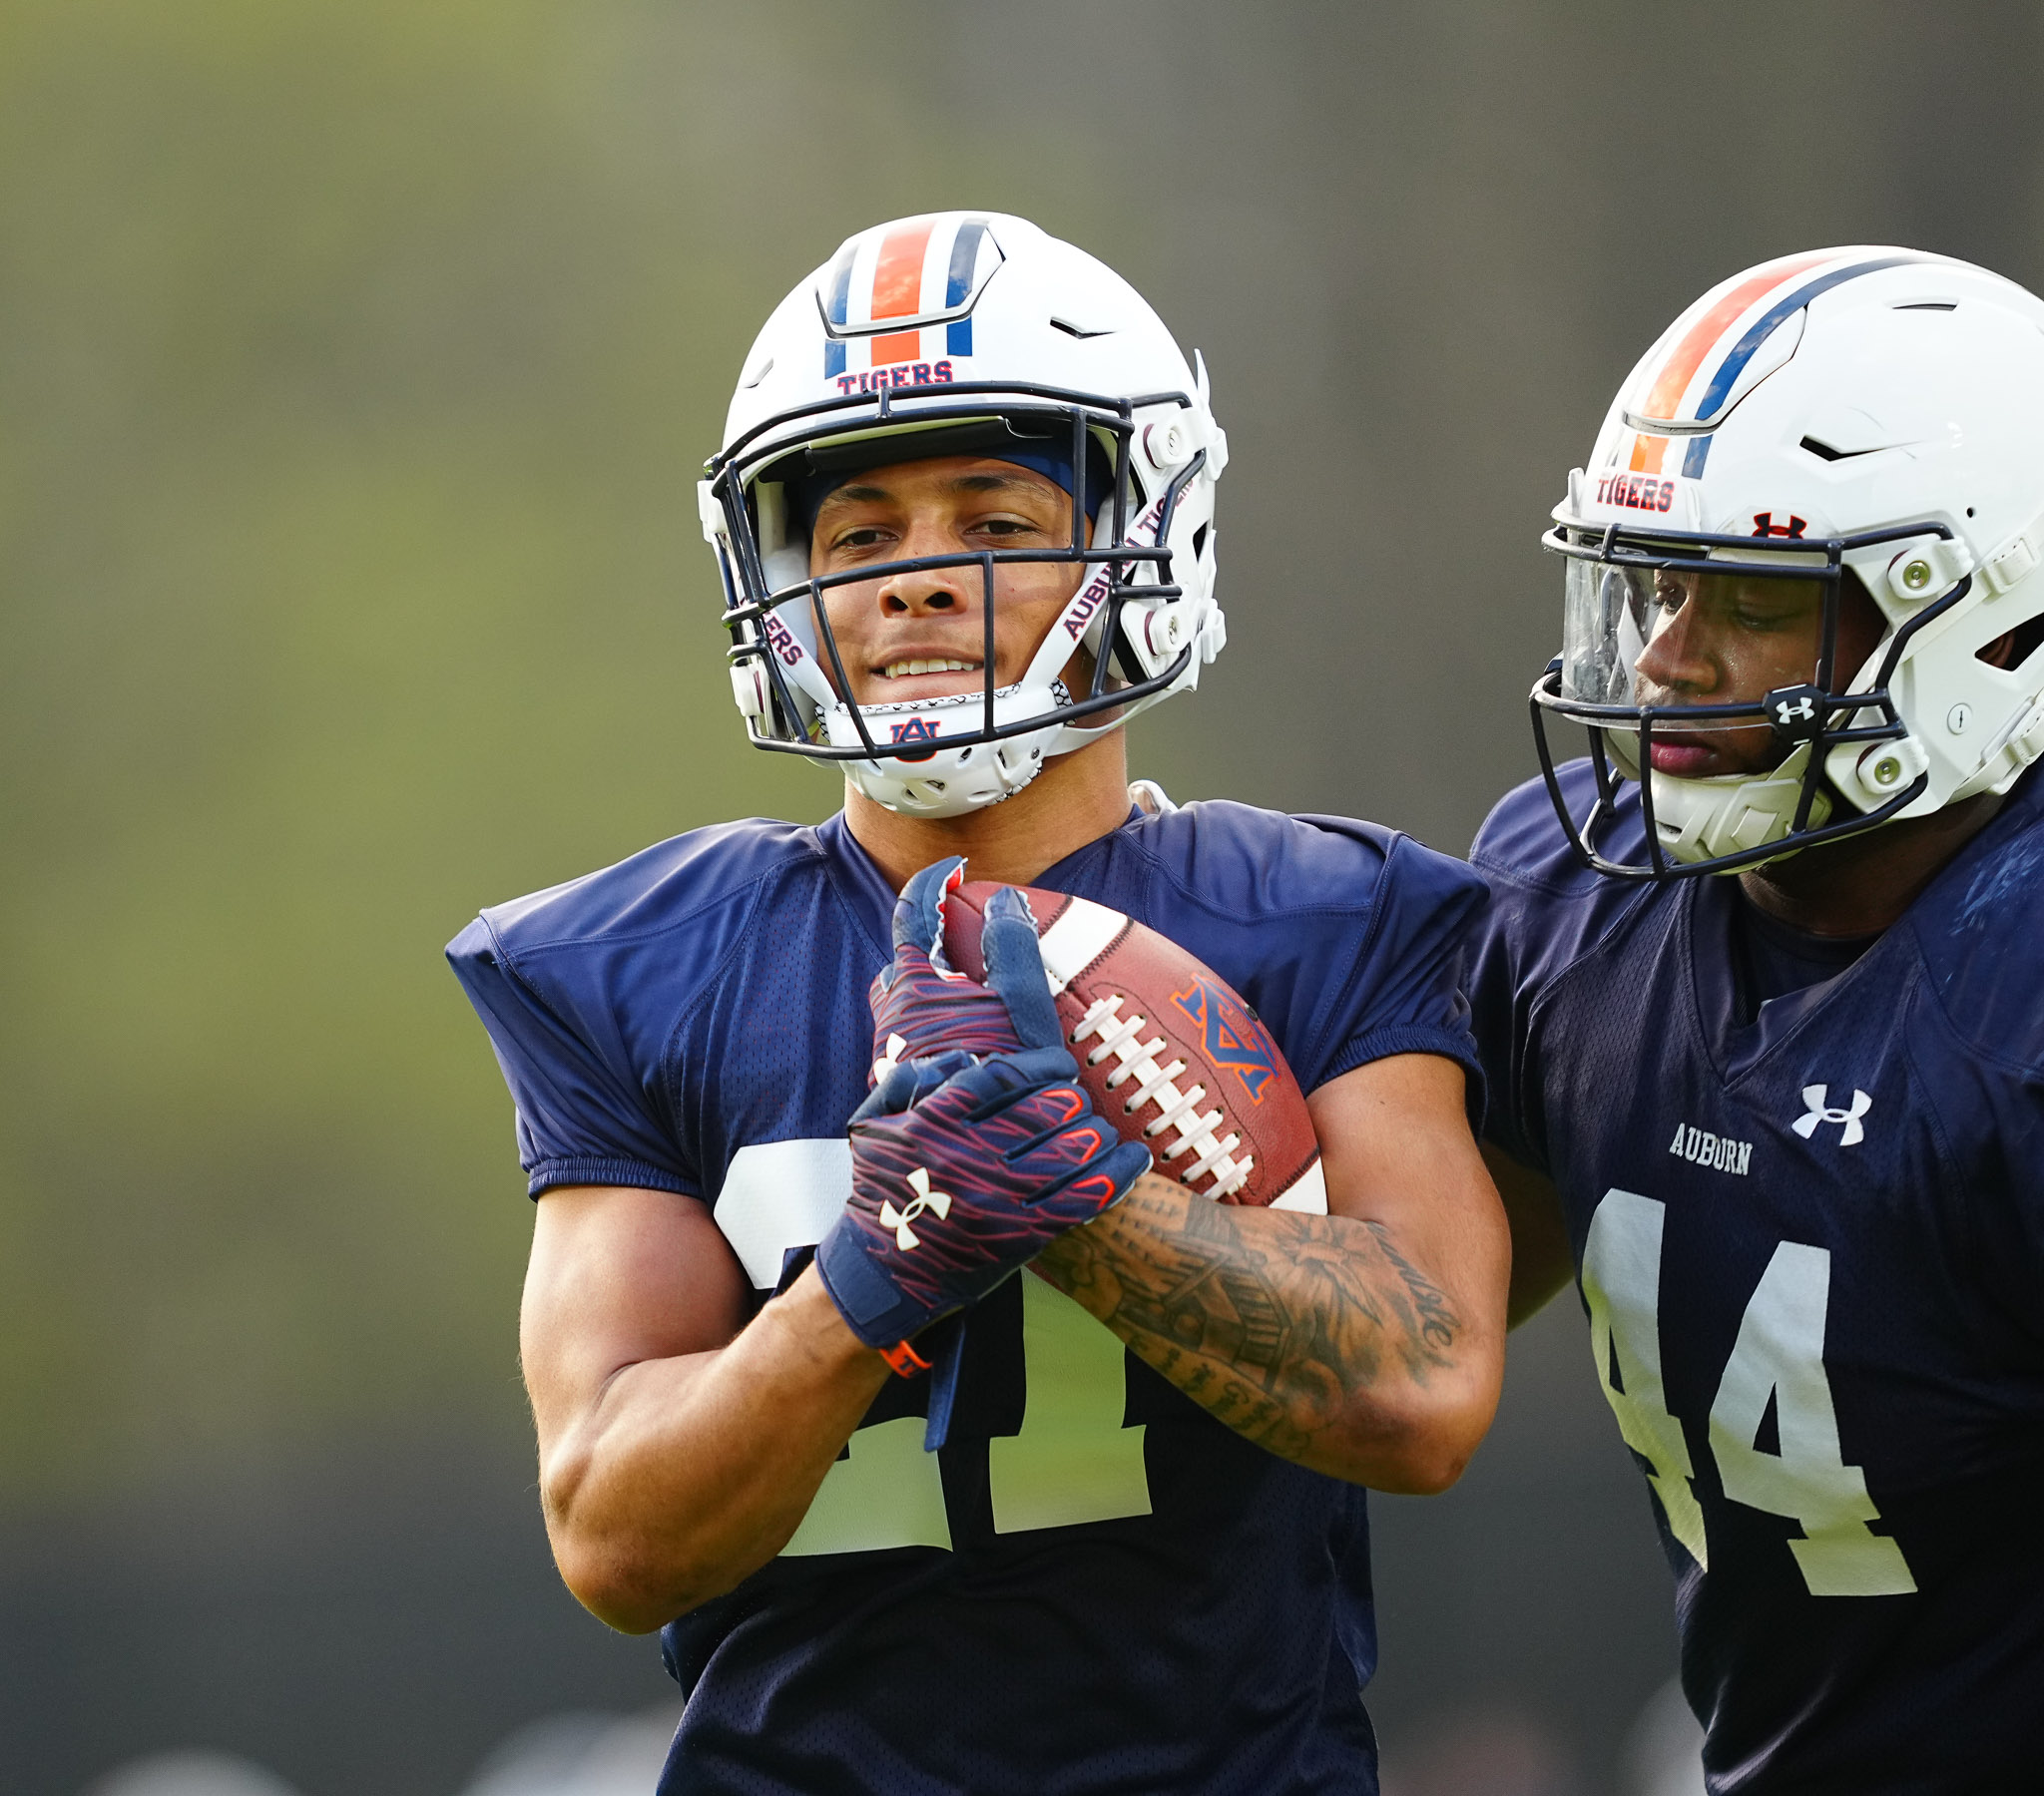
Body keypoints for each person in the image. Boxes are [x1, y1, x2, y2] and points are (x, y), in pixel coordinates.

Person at [447, 212, 1509, 1795]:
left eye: (992, 519)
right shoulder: (644, 962)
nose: (916, 584)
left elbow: (1423, 1393)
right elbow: (613, 1533)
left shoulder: (1322, 916)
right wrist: (869, 1278)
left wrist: (1090, 1210)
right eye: (859, 538)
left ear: (1138, 538)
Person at [1473, 246, 2044, 1791]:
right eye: (1658, 584)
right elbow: (1420, 1328)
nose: (1665, 657)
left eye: (1753, 597)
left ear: (1988, 627)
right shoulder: (1568, 906)